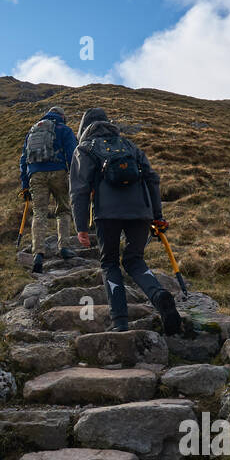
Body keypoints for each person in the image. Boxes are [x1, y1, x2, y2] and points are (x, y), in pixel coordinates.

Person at [69, 107, 182, 334]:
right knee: (134, 260)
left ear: (83, 128)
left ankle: (120, 321)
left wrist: (81, 227)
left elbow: (79, 190)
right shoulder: (129, 145)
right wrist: (157, 216)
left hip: (107, 214)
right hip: (140, 211)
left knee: (110, 263)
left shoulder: (84, 148)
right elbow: (152, 178)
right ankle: (159, 296)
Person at [18, 105, 79, 273]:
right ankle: (64, 247)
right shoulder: (63, 129)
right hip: (58, 172)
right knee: (63, 209)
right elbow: (73, 154)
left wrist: (25, 185)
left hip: (36, 175)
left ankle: (38, 253)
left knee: (39, 213)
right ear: (62, 116)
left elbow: (23, 160)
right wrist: (75, 176)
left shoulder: (32, 131)